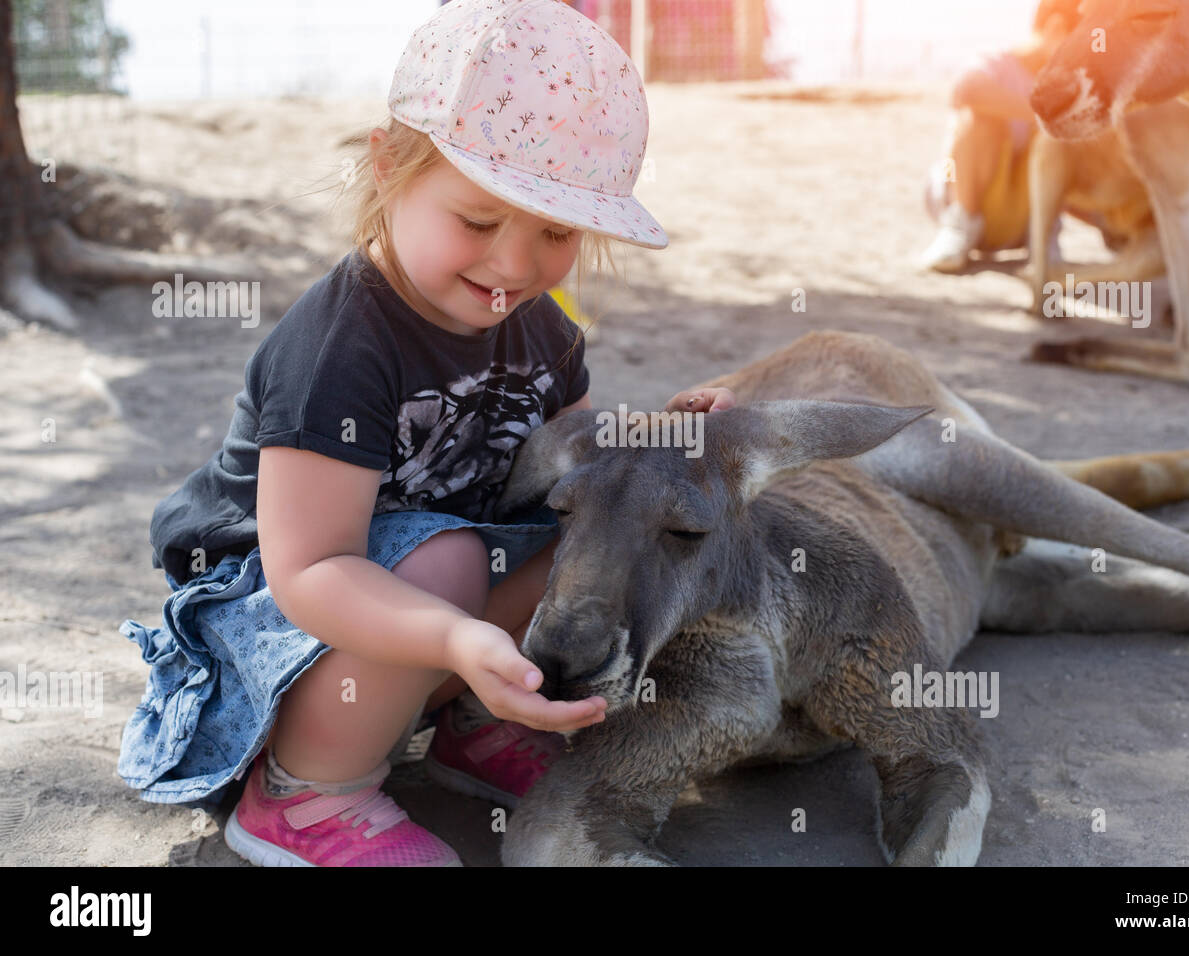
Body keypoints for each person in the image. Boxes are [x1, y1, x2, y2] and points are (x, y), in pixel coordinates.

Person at [116, 0, 734, 867]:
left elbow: (561, 473)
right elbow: (313, 571)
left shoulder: (545, 329)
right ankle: (303, 795)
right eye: (478, 221)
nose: (514, 266)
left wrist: (659, 435)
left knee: (573, 533)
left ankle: (471, 728)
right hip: (274, 636)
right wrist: (454, 636)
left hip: (416, 618)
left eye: (555, 231)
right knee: (444, 559)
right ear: (388, 168)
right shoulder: (339, 350)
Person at [918, 0, 1081, 273]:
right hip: (965, 199)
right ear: (1055, 29)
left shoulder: (1070, 79)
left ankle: (1044, 237)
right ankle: (958, 228)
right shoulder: (997, 61)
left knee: (1065, 134)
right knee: (982, 118)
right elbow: (967, 91)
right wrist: (1043, 114)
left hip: (1023, 219)